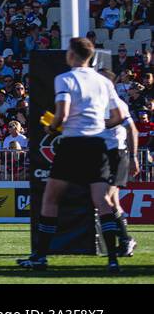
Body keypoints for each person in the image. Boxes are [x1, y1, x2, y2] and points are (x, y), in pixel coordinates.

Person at [18, 37, 127, 271]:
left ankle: (40, 256)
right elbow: (118, 117)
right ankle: (112, 259)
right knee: (102, 201)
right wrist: (96, 124)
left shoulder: (65, 78)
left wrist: (51, 127)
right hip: (97, 144)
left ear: (72, 55)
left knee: (50, 198)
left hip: (73, 143)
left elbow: (63, 114)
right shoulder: (103, 81)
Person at [101, 72, 140, 257]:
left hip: (116, 154)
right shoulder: (95, 103)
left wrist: (133, 157)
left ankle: (125, 239)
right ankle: (125, 241)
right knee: (113, 202)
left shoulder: (116, 103)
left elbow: (132, 129)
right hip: (101, 155)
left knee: (104, 198)